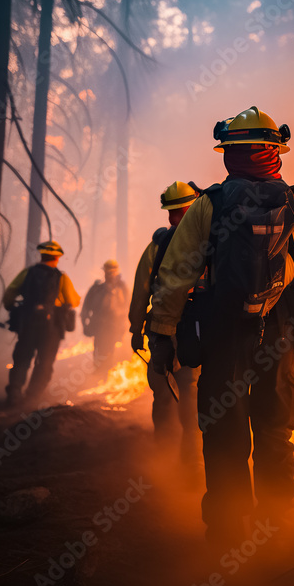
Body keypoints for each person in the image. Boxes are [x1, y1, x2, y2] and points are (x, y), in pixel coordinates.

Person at [150, 107, 294, 544]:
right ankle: (276, 523)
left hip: (221, 331)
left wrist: (161, 340)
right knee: (273, 424)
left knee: (224, 430)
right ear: (276, 150)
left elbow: (174, 279)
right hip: (280, 329)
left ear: (227, 153)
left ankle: (228, 529)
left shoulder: (207, 206)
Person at [128, 181, 201, 466]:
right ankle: (168, 461)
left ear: (194, 208)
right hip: (170, 334)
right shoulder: (161, 244)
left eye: (179, 211)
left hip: (186, 335)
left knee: (184, 395)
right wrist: (135, 330)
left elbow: (140, 292)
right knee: (169, 394)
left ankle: (188, 461)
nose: (173, 219)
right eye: (170, 213)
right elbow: (140, 293)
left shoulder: (206, 241)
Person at [3, 239, 80, 408]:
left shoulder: (27, 273)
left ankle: (14, 394)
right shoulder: (61, 277)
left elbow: (9, 294)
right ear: (57, 258)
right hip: (51, 328)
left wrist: (12, 307)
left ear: (42, 255)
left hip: (27, 323)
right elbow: (73, 300)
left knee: (22, 359)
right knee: (44, 363)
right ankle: (32, 398)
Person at [81, 260, 129, 371]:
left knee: (110, 351)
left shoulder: (122, 289)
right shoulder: (97, 288)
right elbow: (86, 308)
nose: (110, 275)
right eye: (108, 272)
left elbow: (127, 307)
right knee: (99, 350)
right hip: (99, 326)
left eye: (112, 272)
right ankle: (98, 373)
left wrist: (125, 326)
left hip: (114, 326)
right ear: (104, 272)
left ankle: (105, 374)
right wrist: (85, 324)